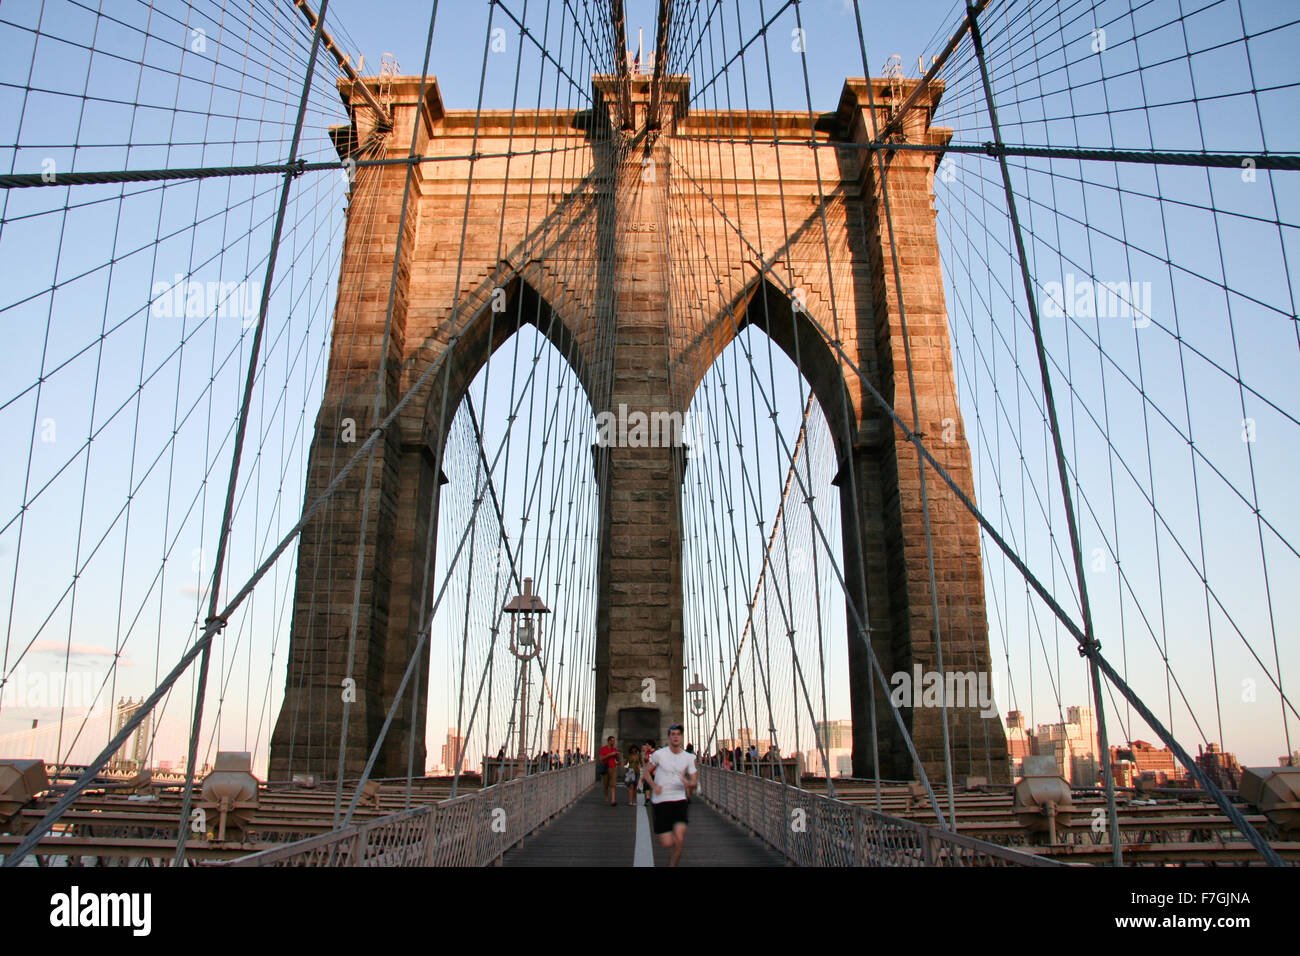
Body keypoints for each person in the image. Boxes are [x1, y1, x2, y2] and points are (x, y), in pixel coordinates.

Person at [645, 724, 698, 867]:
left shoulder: (689, 757)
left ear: (681, 738)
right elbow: (646, 772)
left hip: (680, 800)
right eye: (673, 734)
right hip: (661, 801)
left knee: (679, 839)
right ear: (669, 737)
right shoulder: (659, 755)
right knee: (667, 843)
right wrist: (654, 786)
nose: (675, 736)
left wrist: (689, 784)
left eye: (678, 734)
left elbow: (694, 781)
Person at [598, 735, 620, 806]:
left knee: (613, 784)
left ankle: (613, 800)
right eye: (612, 740)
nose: (614, 742)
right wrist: (610, 754)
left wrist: (617, 755)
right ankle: (607, 798)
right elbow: (601, 759)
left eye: (614, 740)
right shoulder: (603, 749)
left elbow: (617, 759)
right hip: (605, 768)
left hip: (613, 768)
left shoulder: (615, 749)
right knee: (605, 785)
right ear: (609, 741)